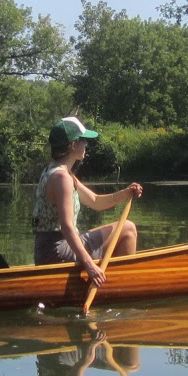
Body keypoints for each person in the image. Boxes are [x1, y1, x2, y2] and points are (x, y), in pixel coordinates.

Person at [32, 116, 142, 284]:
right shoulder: (62, 178)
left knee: (125, 228)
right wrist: (89, 264)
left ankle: (111, 280)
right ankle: (122, 286)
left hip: (48, 249)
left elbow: (96, 202)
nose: (86, 144)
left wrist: (126, 193)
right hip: (57, 252)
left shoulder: (59, 172)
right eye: (83, 140)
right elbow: (67, 227)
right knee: (128, 229)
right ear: (73, 145)